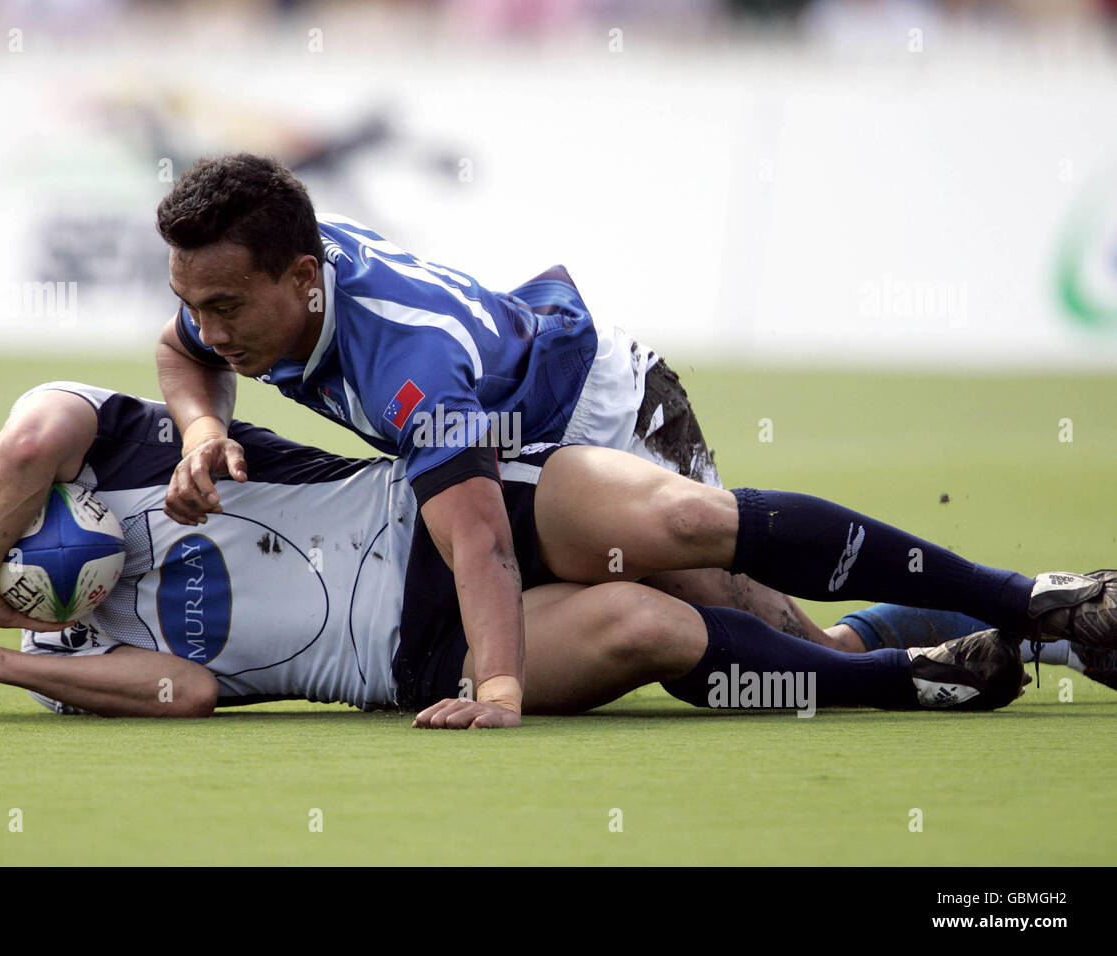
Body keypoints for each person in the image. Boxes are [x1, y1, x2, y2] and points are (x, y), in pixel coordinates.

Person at [0, 381, 1116, 724]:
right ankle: (926, 674)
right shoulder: (55, 636)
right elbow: (191, 689)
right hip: (417, 656)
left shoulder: (87, 433)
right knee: (658, 624)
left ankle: (1031, 601)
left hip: (450, 513)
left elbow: (21, 449)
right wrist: (0, 658)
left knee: (680, 539)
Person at [152, 153, 876, 727]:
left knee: (754, 631)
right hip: (518, 457)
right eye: (196, 308)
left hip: (598, 411)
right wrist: (204, 431)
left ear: (301, 278)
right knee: (665, 631)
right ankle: (909, 647)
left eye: (221, 309)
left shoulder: (398, 353)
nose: (210, 331)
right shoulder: (270, 282)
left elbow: (478, 538)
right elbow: (181, 351)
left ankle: (910, 644)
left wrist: (498, 691)